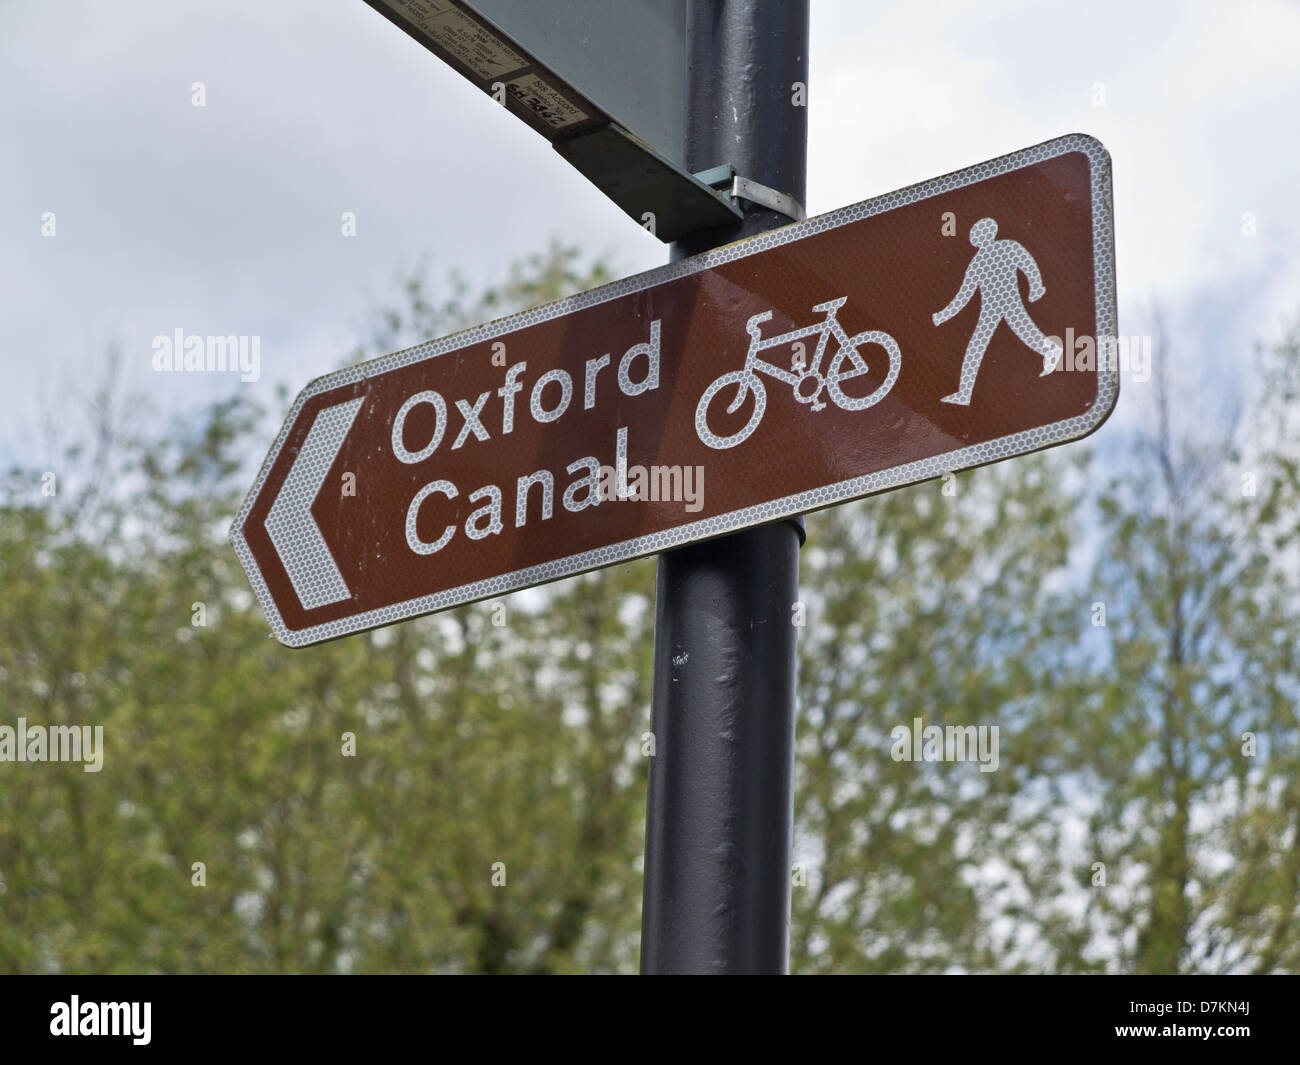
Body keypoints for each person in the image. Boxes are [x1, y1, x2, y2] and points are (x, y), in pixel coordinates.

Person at [933, 217, 1063, 405]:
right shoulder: (977, 262)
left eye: (979, 233)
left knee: (990, 339)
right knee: (987, 340)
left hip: (1008, 300)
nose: (978, 237)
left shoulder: (1006, 247)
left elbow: (1027, 263)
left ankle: (964, 393)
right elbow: (964, 294)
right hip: (992, 307)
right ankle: (964, 393)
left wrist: (1036, 286)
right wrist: (943, 315)